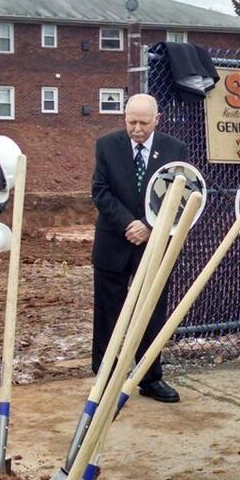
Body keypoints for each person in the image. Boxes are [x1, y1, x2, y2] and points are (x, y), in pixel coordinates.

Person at [91, 93, 188, 403]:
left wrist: (150, 225)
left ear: (156, 120)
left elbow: (181, 194)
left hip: (154, 242)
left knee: (151, 310)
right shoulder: (107, 145)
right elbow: (100, 191)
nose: (136, 129)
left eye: (143, 123)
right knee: (109, 310)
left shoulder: (175, 149)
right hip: (114, 240)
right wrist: (128, 224)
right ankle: (105, 374)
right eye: (131, 121)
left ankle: (149, 377)